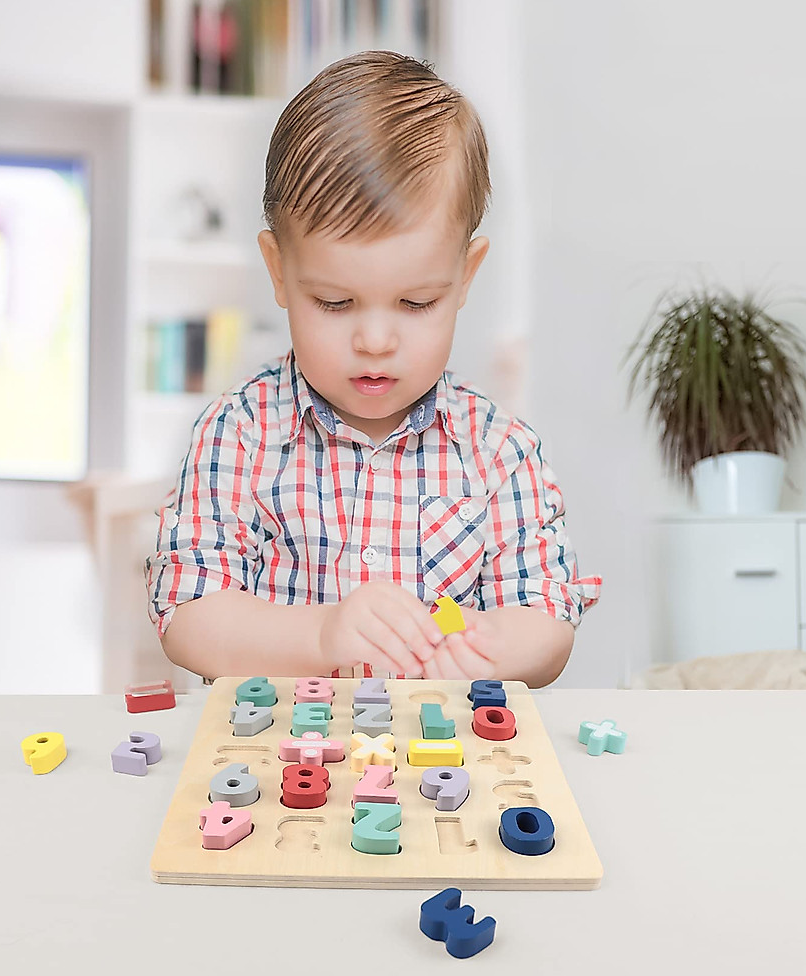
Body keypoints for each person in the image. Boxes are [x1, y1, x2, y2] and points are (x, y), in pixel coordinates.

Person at [145, 51, 600, 687]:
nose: (377, 339)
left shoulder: (501, 454)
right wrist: (320, 636)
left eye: (417, 303)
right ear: (280, 272)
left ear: (464, 277)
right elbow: (188, 614)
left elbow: (548, 616)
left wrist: (487, 646)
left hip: (445, 779)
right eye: (335, 303)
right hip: (278, 772)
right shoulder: (238, 437)